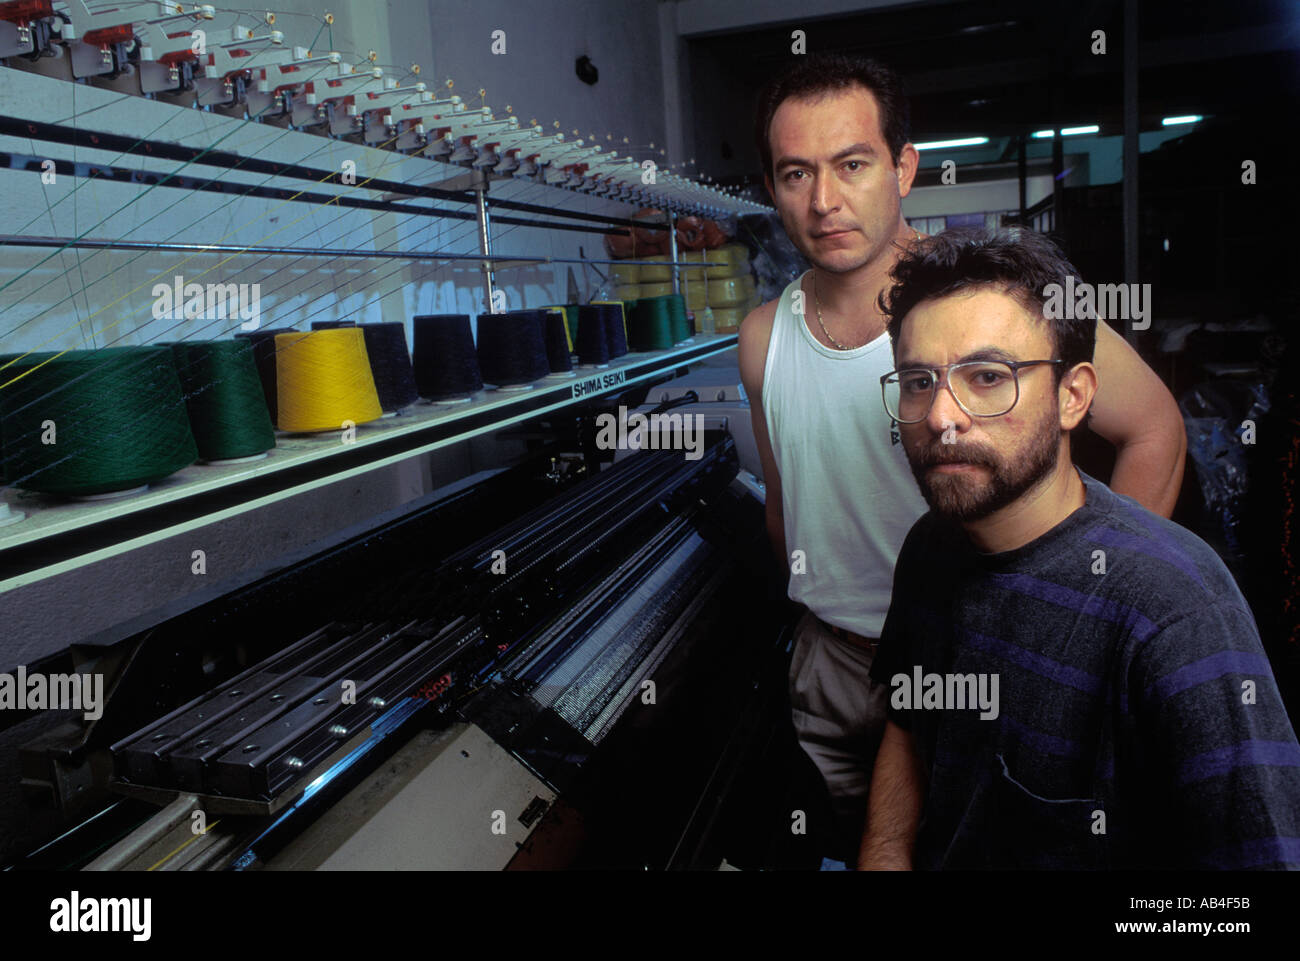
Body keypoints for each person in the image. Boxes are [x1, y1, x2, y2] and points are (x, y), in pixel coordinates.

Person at [737, 53, 1188, 862]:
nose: (825, 200)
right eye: (795, 172)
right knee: (866, 845)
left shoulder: (1001, 303)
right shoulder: (765, 337)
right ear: (772, 188)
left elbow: (1154, 427)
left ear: (904, 167)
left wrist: (1084, 612)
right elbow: (785, 506)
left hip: (977, 658)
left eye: (852, 164)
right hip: (833, 666)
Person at [858, 226, 1300, 870]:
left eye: (987, 377)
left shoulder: (1174, 609)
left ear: (1073, 396)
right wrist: (886, 853)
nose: (940, 416)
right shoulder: (931, 547)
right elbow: (908, 725)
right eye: (919, 380)